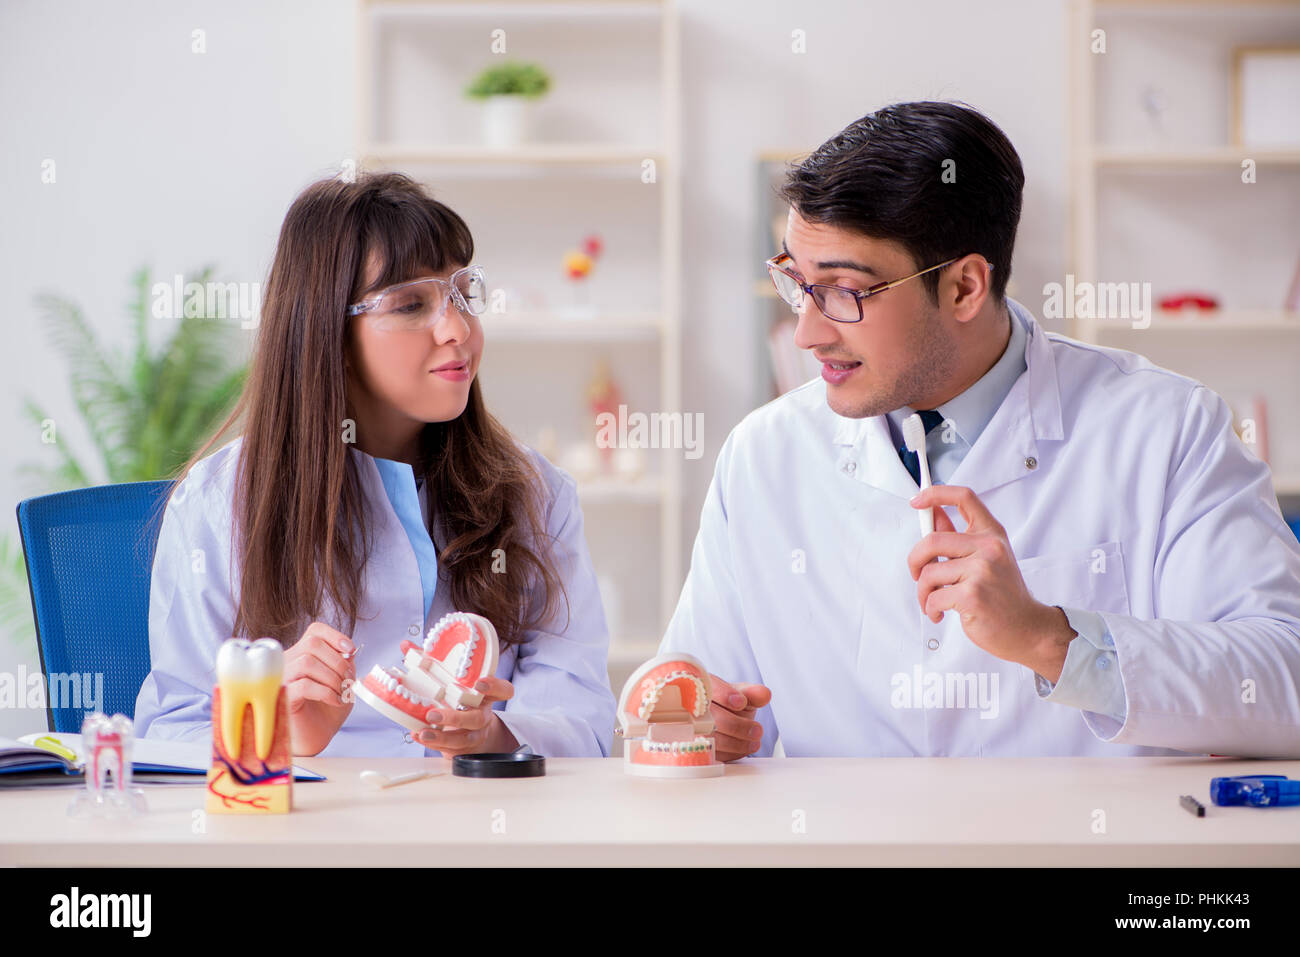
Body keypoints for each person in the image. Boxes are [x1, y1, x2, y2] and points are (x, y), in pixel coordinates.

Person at [661, 101, 1300, 760]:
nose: (807, 332)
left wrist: (1053, 640)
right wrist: (688, 714)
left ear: (964, 287)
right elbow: (690, 694)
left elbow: (1285, 680)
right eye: (798, 283)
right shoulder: (764, 454)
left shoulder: (1166, 430)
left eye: (844, 292)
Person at [135, 171, 616, 758]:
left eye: (464, 292)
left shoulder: (536, 495)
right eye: (412, 304)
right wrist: (270, 725)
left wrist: (498, 737)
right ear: (324, 329)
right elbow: (169, 733)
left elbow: (582, 712)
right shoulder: (219, 502)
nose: (458, 328)